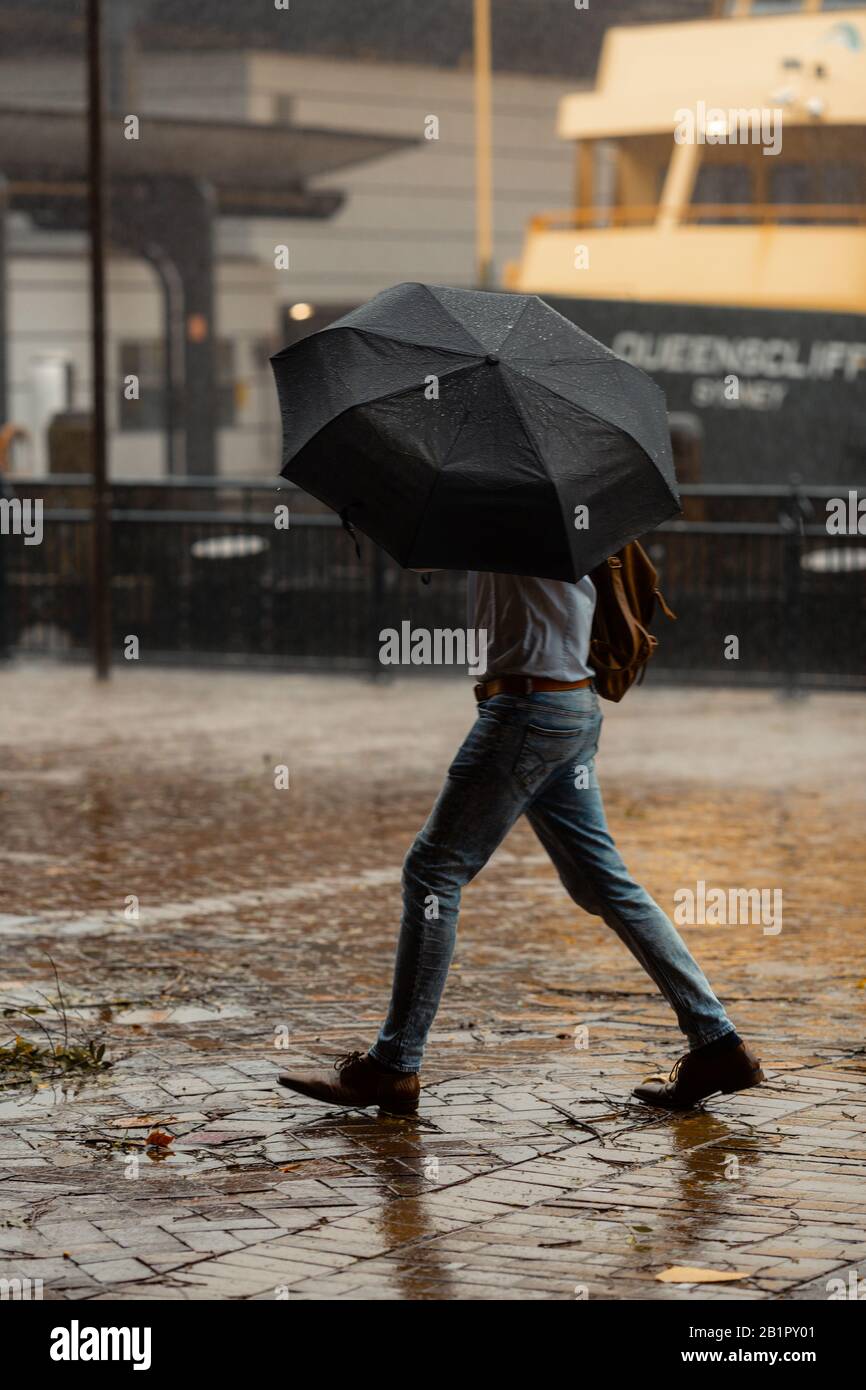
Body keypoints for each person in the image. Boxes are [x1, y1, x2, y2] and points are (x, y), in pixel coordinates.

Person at [279, 569, 764, 1114]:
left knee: (433, 872)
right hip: (567, 706)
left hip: (527, 711)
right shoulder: (557, 505)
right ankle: (719, 1043)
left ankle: (393, 1066)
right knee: (601, 884)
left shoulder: (515, 502)